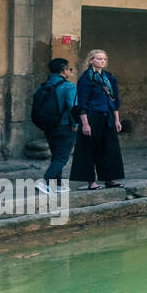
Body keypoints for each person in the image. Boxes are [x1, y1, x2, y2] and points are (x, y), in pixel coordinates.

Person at [72, 49, 125, 190]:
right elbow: (81, 103)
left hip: (107, 117)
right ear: (90, 61)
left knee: (109, 148)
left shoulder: (109, 78)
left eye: (104, 59)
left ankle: (110, 179)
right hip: (91, 117)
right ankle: (91, 182)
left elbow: (114, 101)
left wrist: (117, 120)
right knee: (89, 150)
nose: (102, 61)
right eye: (99, 58)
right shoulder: (86, 79)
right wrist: (85, 124)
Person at [35, 58, 78, 194]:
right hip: (65, 126)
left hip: (49, 126)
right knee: (62, 157)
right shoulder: (69, 86)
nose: (70, 72)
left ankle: (58, 185)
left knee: (56, 155)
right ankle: (45, 181)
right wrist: (76, 123)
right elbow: (73, 106)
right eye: (69, 69)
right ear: (64, 70)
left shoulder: (44, 85)